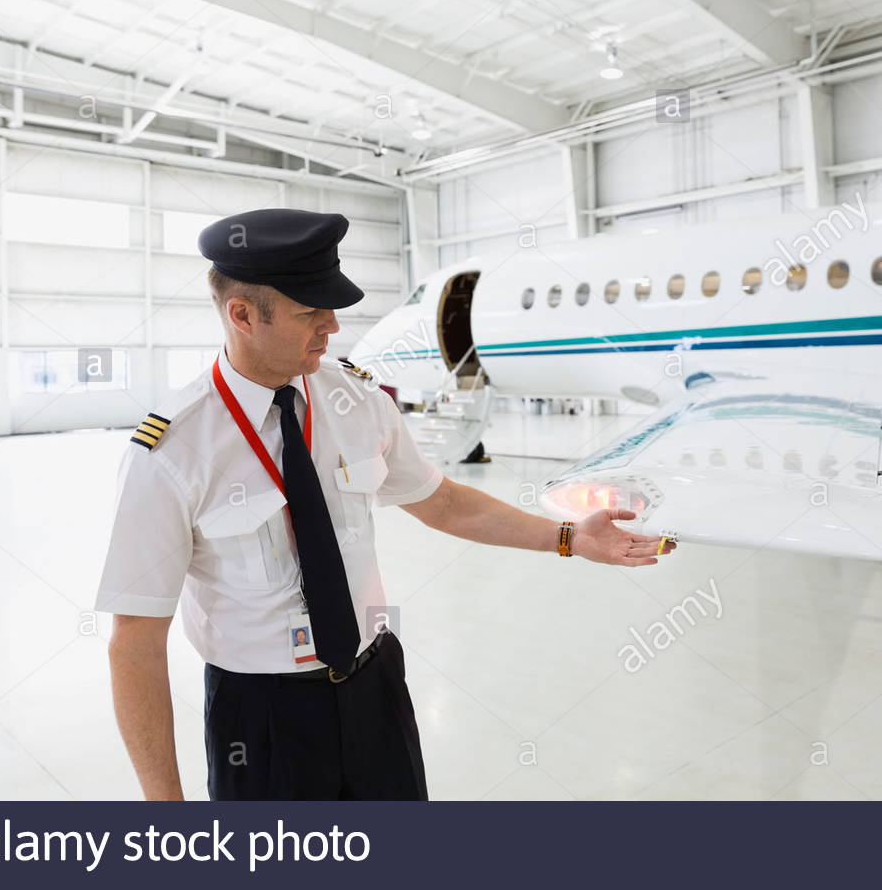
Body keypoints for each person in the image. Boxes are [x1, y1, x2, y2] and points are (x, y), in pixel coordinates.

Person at [93, 207, 676, 801]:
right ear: (242, 315)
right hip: (262, 718)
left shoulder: (356, 399)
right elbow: (135, 641)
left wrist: (570, 536)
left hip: (375, 690)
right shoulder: (172, 451)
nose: (332, 328)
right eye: (310, 313)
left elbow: (443, 502)